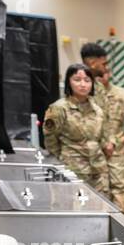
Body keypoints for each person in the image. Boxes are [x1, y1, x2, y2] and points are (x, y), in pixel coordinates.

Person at [43, 63, 108, 192]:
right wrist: (61, 162)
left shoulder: (97, 110)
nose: (83, 84)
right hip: (72, 170)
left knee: (100, 209)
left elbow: (101, 139)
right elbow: (51, 140)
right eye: (77, 80)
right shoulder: (59, 108)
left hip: (98, 171)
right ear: (69, 82)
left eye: (87, 80)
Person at [93, 65, 124, 216]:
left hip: (117, 150)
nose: (102, 77)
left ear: (110, 74)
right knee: (97, 189)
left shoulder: (122, 94)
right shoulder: (90, 95)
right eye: (99, 74)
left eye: (105, 73)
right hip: (95, 150)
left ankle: (123, 226)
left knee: (120, 188)